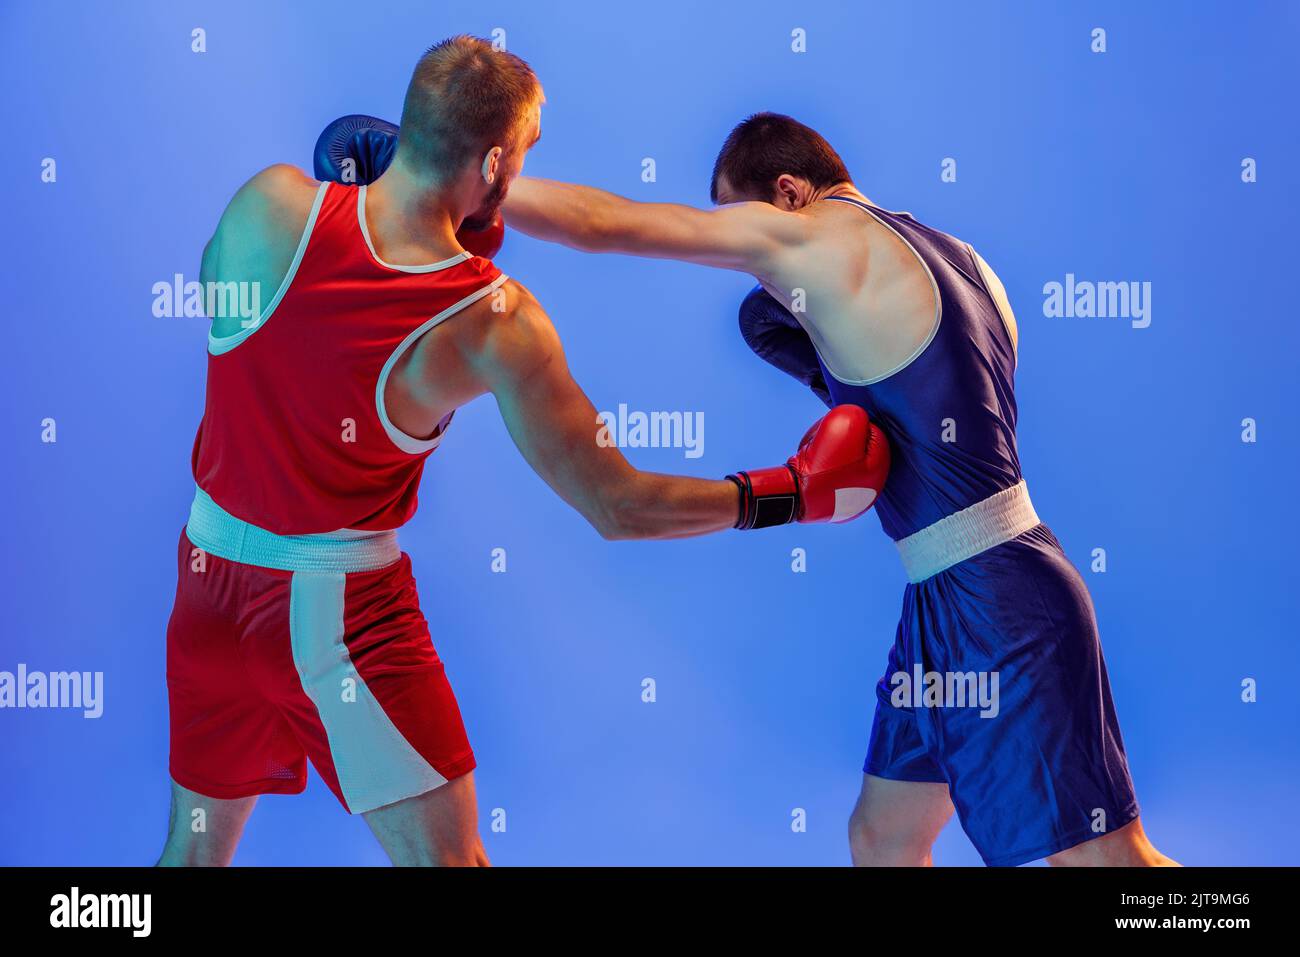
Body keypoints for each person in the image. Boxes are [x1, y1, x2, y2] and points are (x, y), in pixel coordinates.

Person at [158, 45, 889, 869]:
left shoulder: (266, 202)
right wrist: (786, 493)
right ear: (498, 161)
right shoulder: (493, 321)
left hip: (205, 583)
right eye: (526, 152)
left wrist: (370, 228)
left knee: (187, 863)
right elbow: (619, 505)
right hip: (332, 613)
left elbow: (232, 314)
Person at [495, 113, 1178, 867]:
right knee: (882, 838)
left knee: (1106, 863)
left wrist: (468, 181)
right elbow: (945, 410)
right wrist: (839, 376)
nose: (759, 268)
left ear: (787, 193)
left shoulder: (811, 237)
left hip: (1002, 601)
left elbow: (608, 224)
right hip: (946, 602)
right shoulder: (966, 260)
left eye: (748, 222)